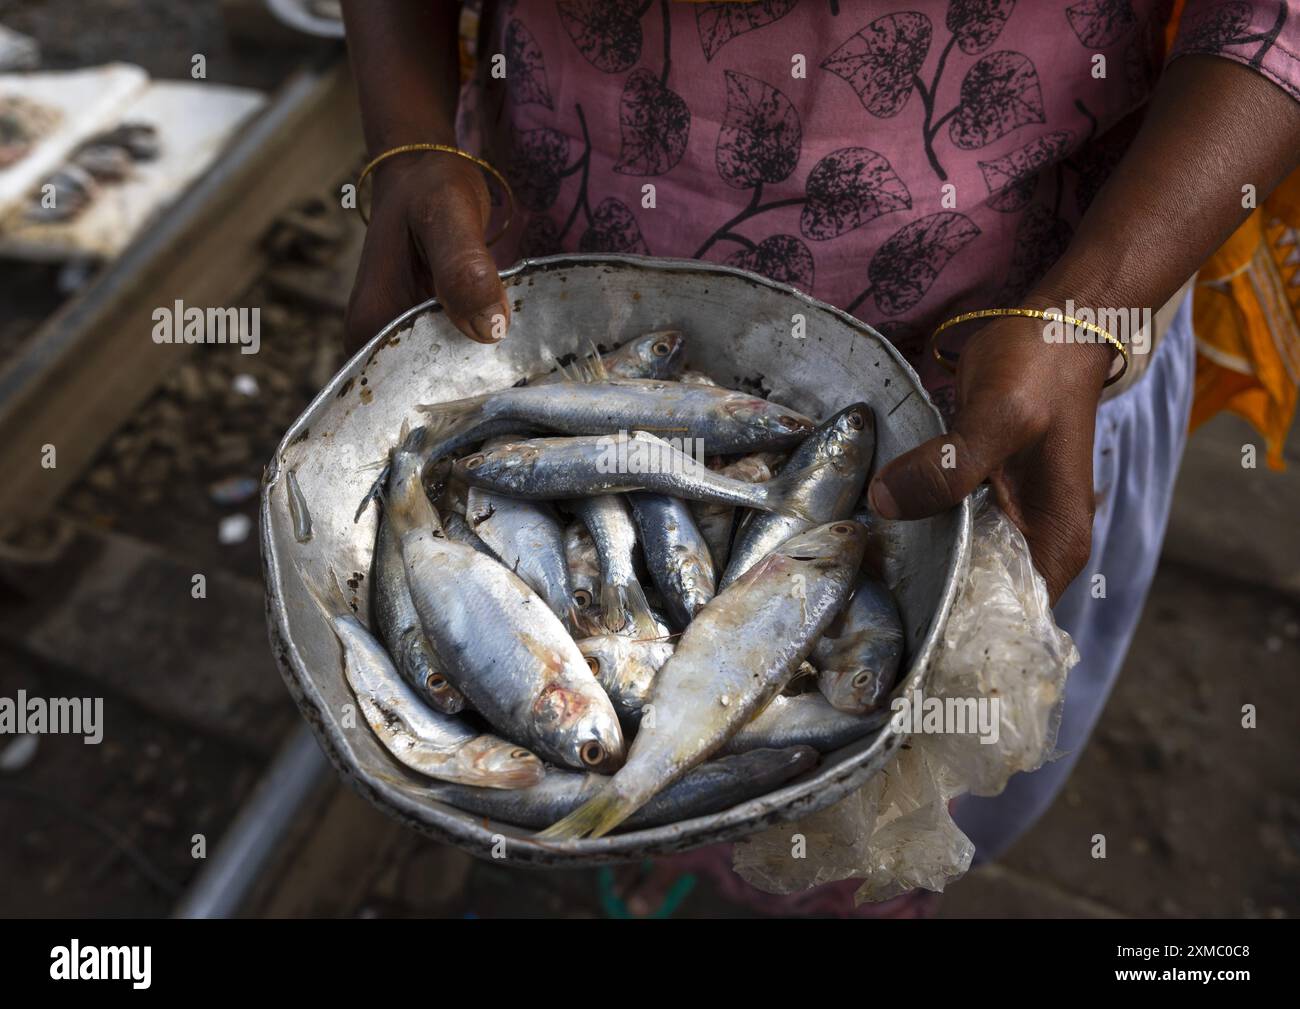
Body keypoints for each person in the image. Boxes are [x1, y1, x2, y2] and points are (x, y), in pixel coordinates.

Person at [339, 0, 1300, 915]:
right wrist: (411, 138)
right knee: (754, 776)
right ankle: (668, 844)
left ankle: (819, 885)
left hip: (1003, 368)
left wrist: (1091, 306)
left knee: (908, 788)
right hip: (546, 288)